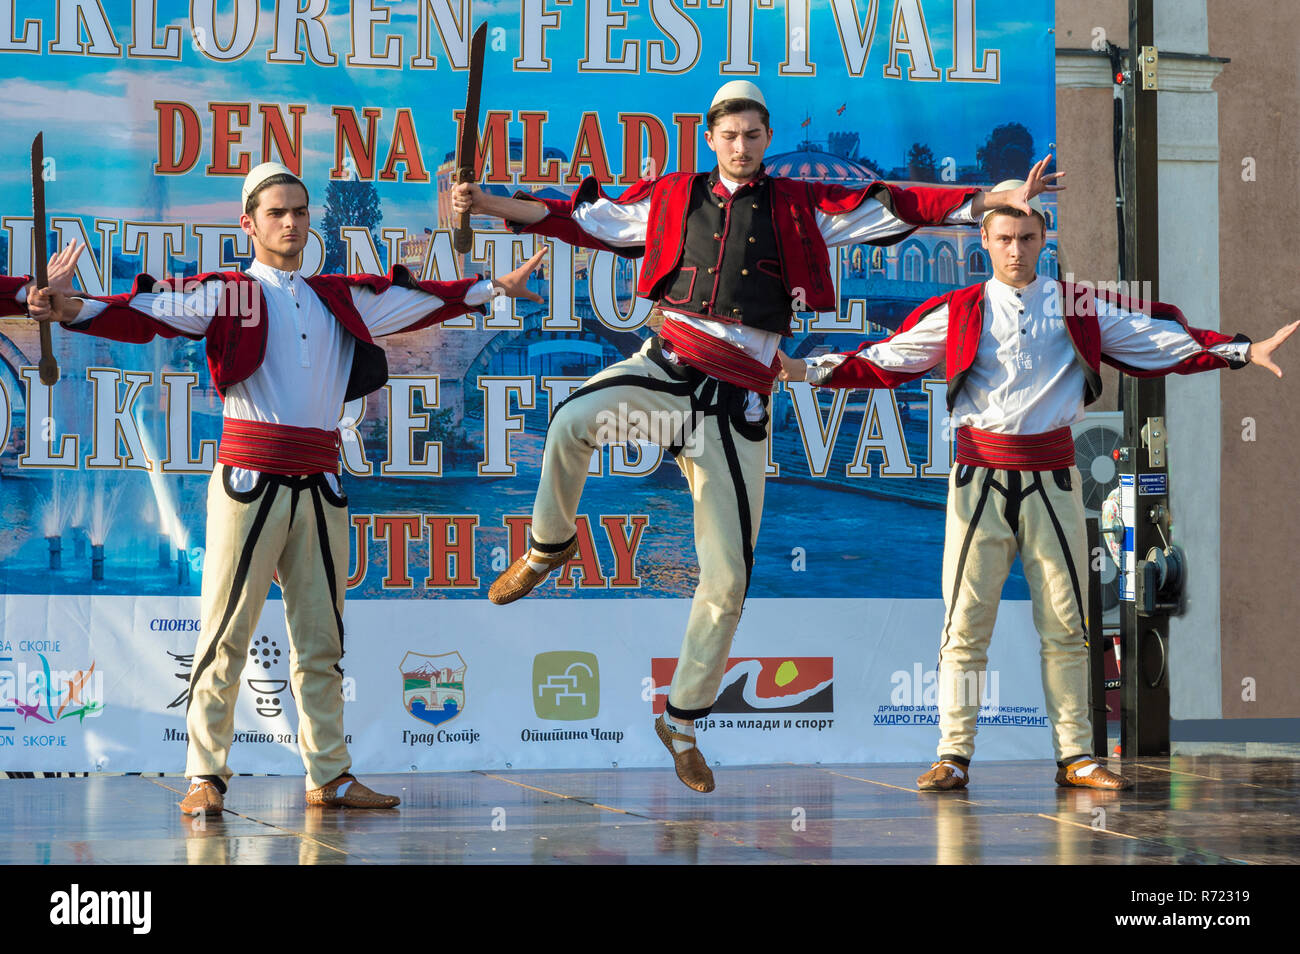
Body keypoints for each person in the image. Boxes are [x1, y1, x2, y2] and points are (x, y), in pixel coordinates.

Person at [451, 80, 1062, 793]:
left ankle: (680, 724)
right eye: (729, 135)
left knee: (728, 580)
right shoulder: (672, 198)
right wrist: (486, 201)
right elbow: (580, 218)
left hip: (738, 403)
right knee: (571, 421)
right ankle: (548, 548)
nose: (741, 146)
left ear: (766, 139)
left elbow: (900, 204)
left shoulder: (803, 208)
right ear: (710, 139)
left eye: (752, 135)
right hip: (668, 372)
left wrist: (995, 196)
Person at [28, 162, 546, 814]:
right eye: (277, 212)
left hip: (320, 483)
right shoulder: (227, 293)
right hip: (249, 482)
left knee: (321, 639)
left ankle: (329, 774)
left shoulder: (339, 296)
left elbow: (429, 299)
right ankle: (205, 777)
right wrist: (71, 306)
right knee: (223, 637)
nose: (292, 222)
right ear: (249, 222)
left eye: (299, 210)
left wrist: (492, 287)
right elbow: (145, 314)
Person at [780, 185, 1298, 791]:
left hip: (1052, 478)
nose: (1016, 250)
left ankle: (1076, 755)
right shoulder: (963, 308)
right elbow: (890, 358)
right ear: (985, 240)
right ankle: (952, 753)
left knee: (1067, 623)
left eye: (1028, 239)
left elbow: (1160, 343)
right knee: (964, 624)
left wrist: (1241, 350)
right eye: (1004, 239)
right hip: (979, 478)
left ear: (1043, 241)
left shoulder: (1077, 307)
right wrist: (804, 369)